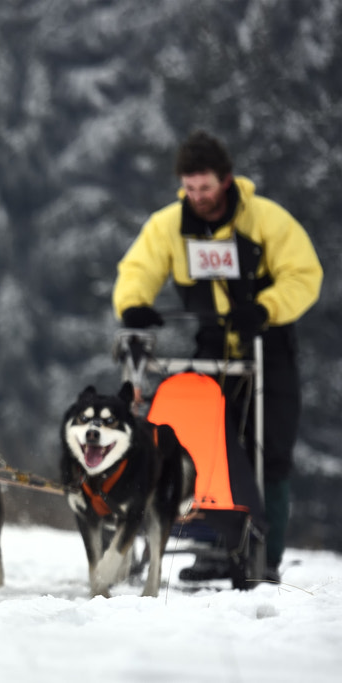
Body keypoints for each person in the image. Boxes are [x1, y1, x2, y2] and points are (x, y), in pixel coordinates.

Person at [112, 130, 322, 582]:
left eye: (205, 188)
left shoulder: (266, 220)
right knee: (205, 443)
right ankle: (214, 544)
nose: (198, 197)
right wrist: (133, 304)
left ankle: (266, 556)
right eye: (190, 188)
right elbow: (139, 267)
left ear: (226, 181)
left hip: (268, 343)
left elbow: (304, 274)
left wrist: (265, 309)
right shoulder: (169, 225)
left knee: (270, 450)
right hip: (212, 347)